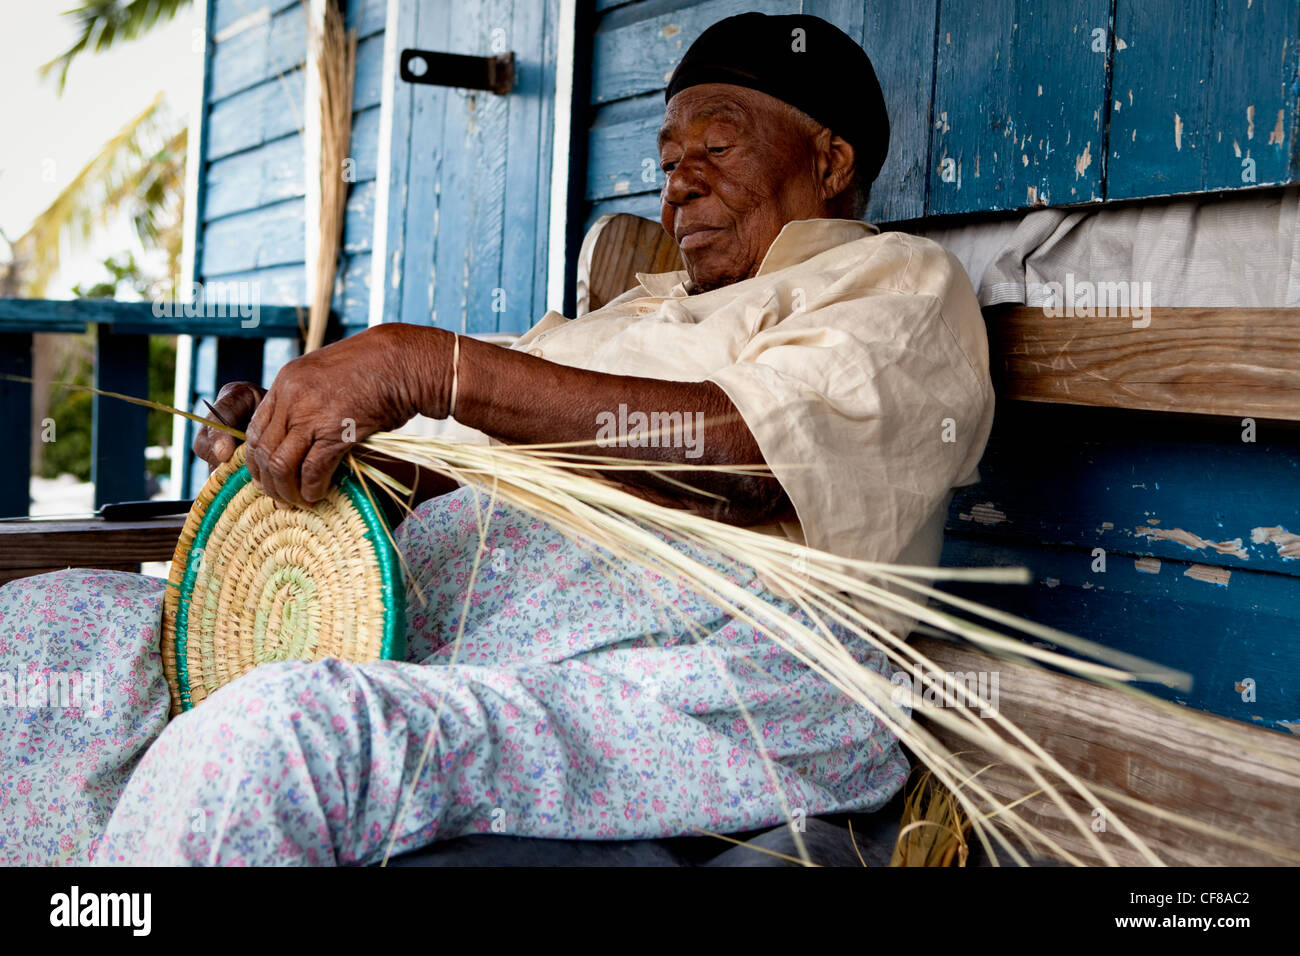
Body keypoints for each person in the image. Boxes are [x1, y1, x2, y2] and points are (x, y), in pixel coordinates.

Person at [0, 13, 993, 865]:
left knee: (276, 744)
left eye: (716, 149)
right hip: (455, 624)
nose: (678, 185)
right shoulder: (628, 316)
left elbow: (752, 456)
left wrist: (431, 365)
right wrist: (305, 441)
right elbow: (443, 460)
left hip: (687, 684)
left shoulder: (891, 289)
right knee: (44, 637)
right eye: (666, 161)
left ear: (828, 157)